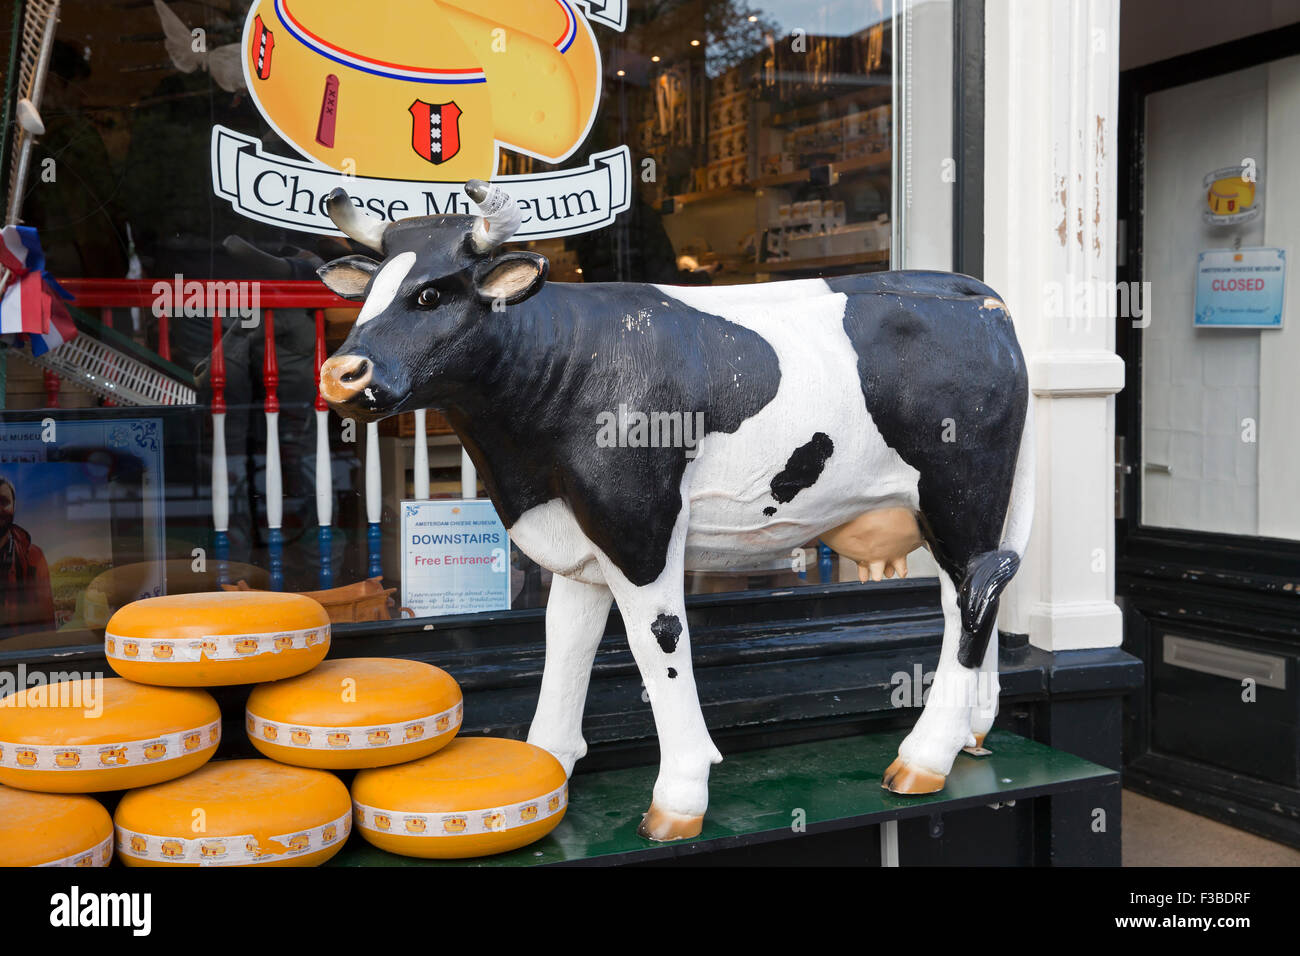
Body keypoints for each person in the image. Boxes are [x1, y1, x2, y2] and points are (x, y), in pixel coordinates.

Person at [0, 477, 56, 637]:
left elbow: (46, 622)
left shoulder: (33, 556)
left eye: (4, 502)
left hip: (20, 656)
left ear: (14, 507)